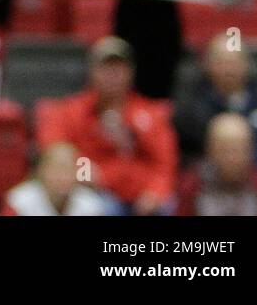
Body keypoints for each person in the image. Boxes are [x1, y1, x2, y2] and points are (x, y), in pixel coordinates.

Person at [36, 36, 179, 215]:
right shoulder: (71, 111)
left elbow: (165, 165)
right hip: (92, 191)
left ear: (131, 72)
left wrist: (156, 192)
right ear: (92, 71)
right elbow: (53, 150)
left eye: (119, 67)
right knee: (96, 206)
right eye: (105, 67)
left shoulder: (150, 114)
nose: (112, 74)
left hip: (141, 194)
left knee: (166, 205)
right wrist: (85, 171)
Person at [173, 40, 257, 181]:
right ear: (207, 65)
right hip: (210, 189)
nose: (229, 69)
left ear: (247, 64)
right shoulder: (192, 108)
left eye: (234, 62)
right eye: (221, 62)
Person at [175, 113, 257, 216]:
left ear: (250, 150)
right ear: (210, 150)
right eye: (225, 150)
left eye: (237, 149)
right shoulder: (191, 187)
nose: (231, 158)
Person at [0, 141, 111, 216]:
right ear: (42, 171)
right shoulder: (19, 202)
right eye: (56, 169)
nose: (63, 177)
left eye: (68, 169)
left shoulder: (91, 206)